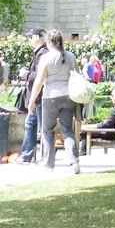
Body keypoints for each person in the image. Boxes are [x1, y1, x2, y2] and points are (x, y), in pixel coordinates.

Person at [28, 28, 80, 173]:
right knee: (67, 131)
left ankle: (49, 163)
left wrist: (32, 100)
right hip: (68, 96)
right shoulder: (71, 56)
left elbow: (39, 82)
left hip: (50, 96)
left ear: (50, 42)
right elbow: (78, 75)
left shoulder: (46, 57)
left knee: (48, 131)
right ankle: (73, 161)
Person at [17, 29, 48, 163]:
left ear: (37, 37)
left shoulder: (43, 54)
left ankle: (33, 156)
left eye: (31, 37)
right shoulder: (39, 53)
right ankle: (28, 155)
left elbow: (38, 76)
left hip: (39, 96)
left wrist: (26, 74)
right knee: (31, 124)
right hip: (37, 96)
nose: (30, 40)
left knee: (42, 128)